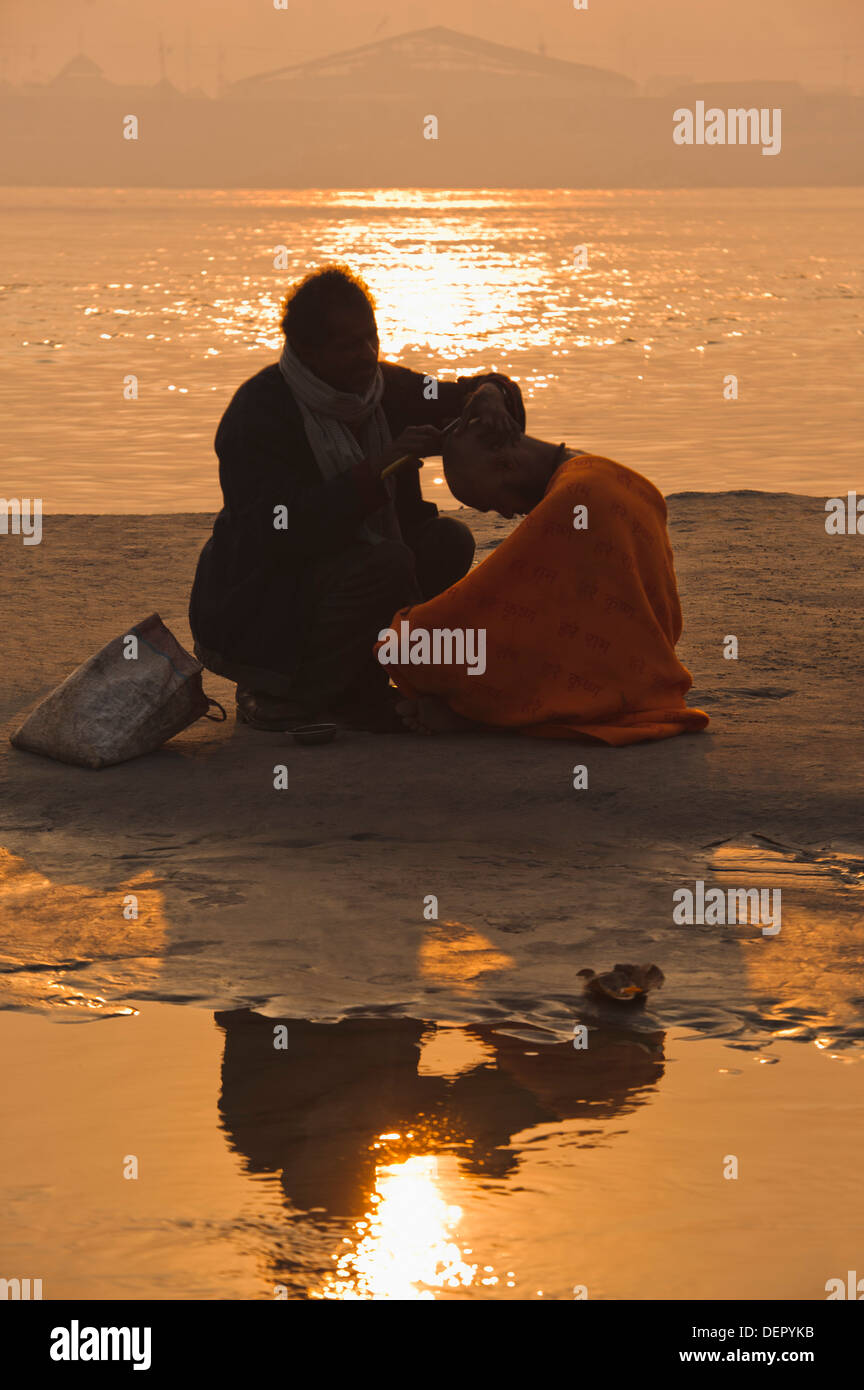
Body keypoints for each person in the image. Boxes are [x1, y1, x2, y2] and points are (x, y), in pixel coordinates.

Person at [189, 265, 524, 731]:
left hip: (340, 574)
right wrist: (377, 469)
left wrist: (488, 394)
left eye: (372, 339)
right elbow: (278, 529)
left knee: (448, 539)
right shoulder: (258, 413)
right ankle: (285, 690)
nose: (368, 355)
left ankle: (367, 673)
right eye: (349, 346)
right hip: (262, 603)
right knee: (386, 562)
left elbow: (457, 394)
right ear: (307, 351)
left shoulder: (383, 389)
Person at [384, 385, 709, 744]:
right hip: (629, 662)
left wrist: (408, 633)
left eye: (495, 503)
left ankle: (473, 710)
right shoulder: (604, 474)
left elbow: (488, 600)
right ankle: (475, 708)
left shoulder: (573, 500)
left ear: (506, 463)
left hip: (608, 674)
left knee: (416, 644)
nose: (507, 513)